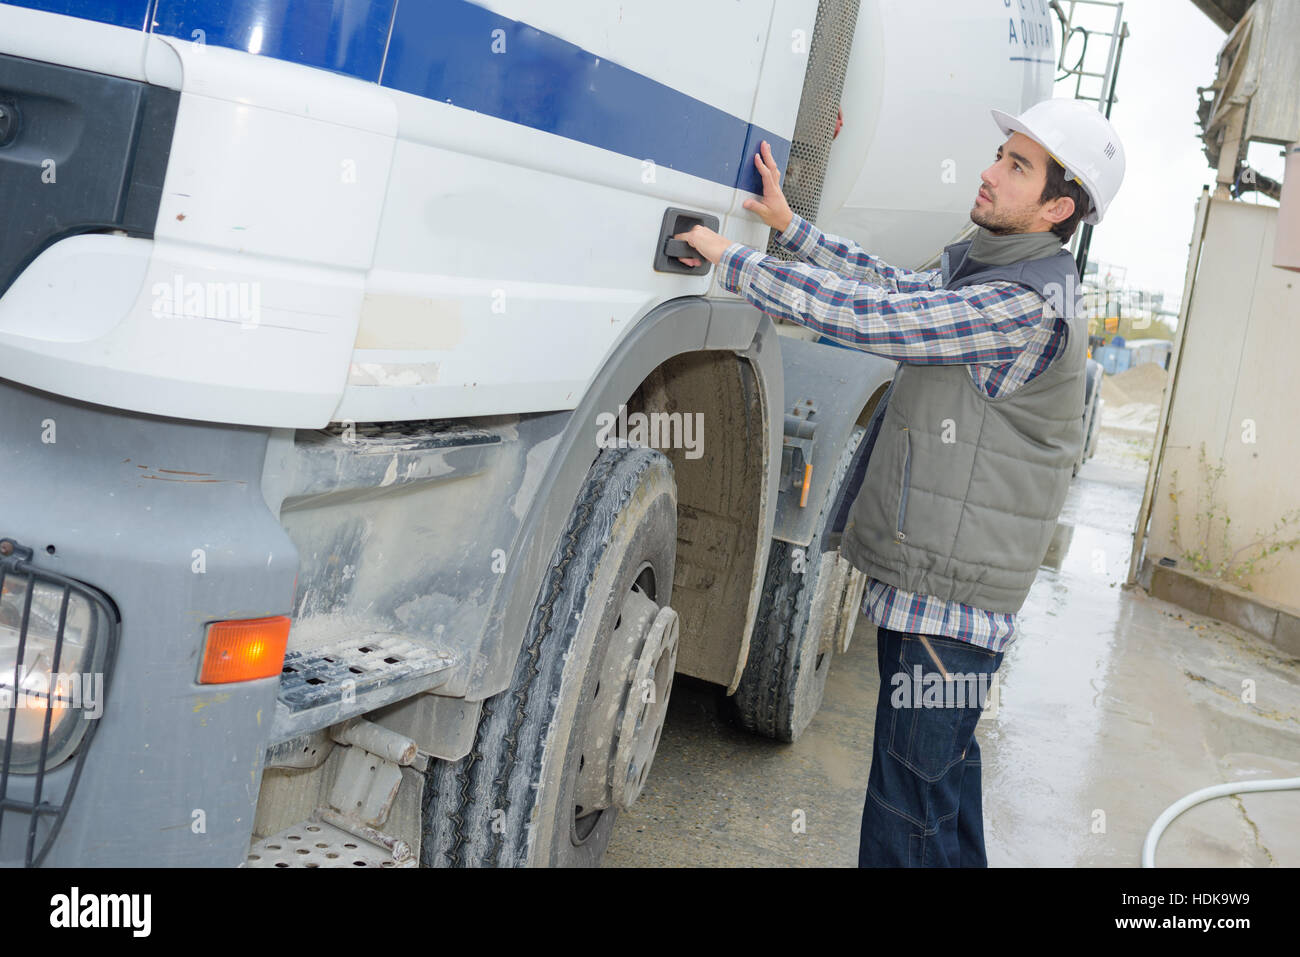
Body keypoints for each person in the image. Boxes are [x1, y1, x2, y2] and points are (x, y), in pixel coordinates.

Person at [675, 98, 1126, 867]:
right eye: (1000, 153)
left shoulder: (1026, 305)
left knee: (905, 815)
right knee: (938, 796)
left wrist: (736, 260)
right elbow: (892, 287)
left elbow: (878, 322)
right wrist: (793, 230)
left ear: (1058, 206)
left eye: (1016, 166)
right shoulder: (994, 271)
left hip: (949, 611)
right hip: (943, 595)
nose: (988, 171)